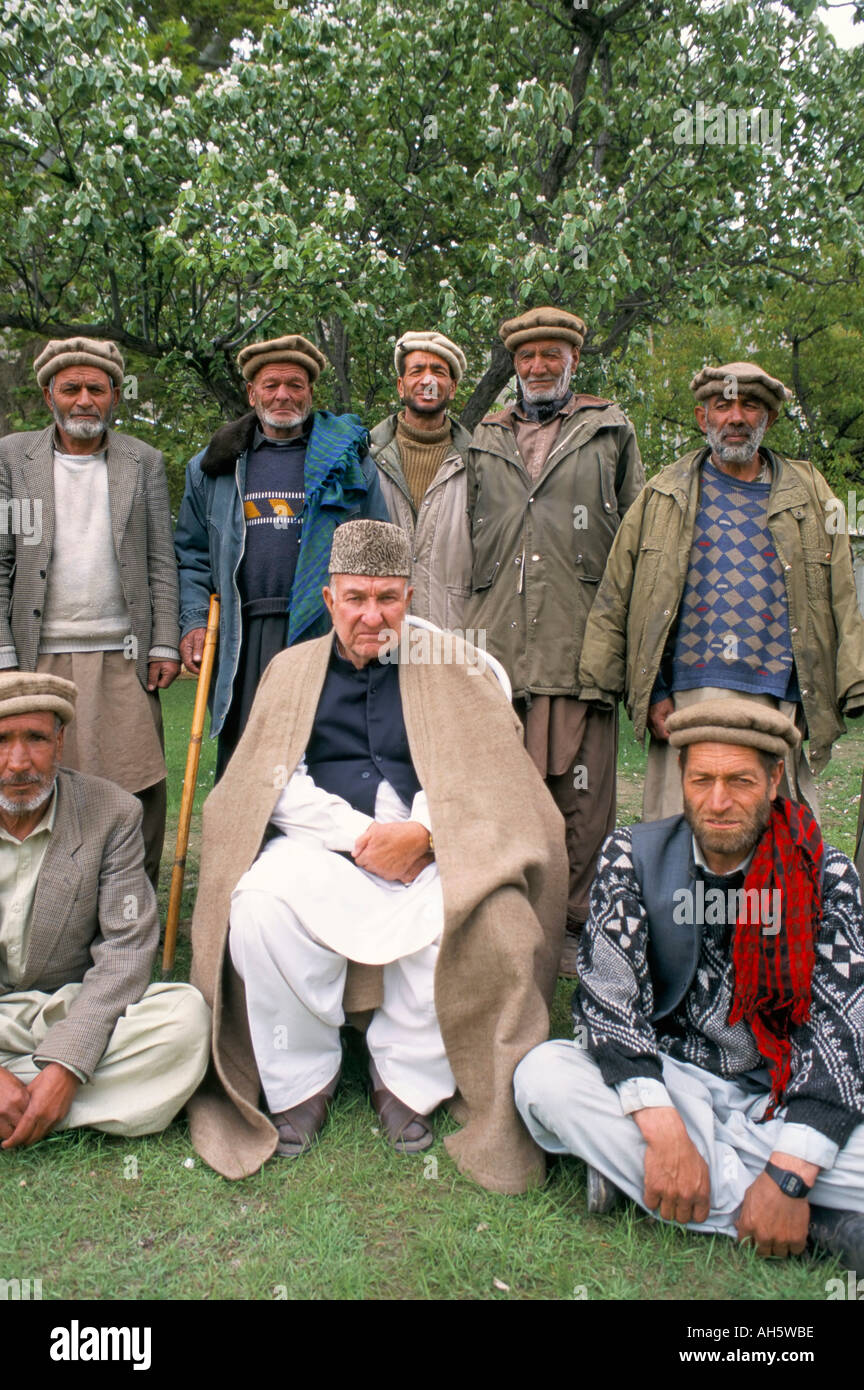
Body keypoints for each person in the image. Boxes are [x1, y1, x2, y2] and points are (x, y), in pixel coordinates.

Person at [187, 520, 567, 1193]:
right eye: (356, 598)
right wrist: (360, 839)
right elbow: (270, 783)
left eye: (387, 598)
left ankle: (407, 1080)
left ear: (409, 596)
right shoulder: (291, 670)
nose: (372, 615)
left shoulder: (454, 665)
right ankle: (303, 1077)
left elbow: (489, 770)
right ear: (330, 598)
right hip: (325, 842)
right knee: (258, 907)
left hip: (437, 843)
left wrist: (423, 835)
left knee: (469, 908)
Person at [514, 700, 864, 1271]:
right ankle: (818, 1226)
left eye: (740, 780)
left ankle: (656, 1179)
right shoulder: (633, 855)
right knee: (544, 1077)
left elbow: (842, 1032)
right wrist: (666, 1129)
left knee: (830, 1126)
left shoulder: (826, 873)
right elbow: (607, 1004)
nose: (718, 801)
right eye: (702, 779)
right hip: (673, 1085)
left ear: (776, 778)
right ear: (682, 779)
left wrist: (791, 1172)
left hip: (781, 1094)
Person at [579, 360, 864, 822]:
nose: (735, 417)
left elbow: (842, 595)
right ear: (702, 418)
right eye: (722, 405)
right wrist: (650, 693)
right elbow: (618, 594)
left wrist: (839, 690)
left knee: (771, 842)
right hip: (687, 700)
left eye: (750, 406)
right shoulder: (662, 495)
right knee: (681, 839)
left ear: (767, 419)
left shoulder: (811, 495)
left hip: (776, 698)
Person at [465, 306, 644, 975]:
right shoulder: (484, 435)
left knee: (581, 798)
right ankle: (505, 917)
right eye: (526, 357)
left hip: (578, 642)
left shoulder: (610, 430)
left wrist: (622, 640)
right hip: (498, 650)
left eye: (551, 355)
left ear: (573, 359)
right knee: (502, 791)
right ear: (514, 366)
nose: (538, 367)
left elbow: (635, 542)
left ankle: (573, 927)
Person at [0, 672, 209, 1149]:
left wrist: (69, 1064)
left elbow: (126, 949)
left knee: (185, 1019)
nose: (18, 762)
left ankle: (33, 1105)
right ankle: (56, 1106)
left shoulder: (110, 813)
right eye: (2, 740)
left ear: (60, 741)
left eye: (35, 738)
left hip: (66, 1008)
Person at [0, 337, 180, 888]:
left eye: (95, 389)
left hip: (123, 653)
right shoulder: (12, 457)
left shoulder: (142, 461)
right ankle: (40, 906)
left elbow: (160, 562)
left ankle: (131, 906)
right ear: (49, 393)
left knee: (136, 786)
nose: (83, 400)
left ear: (115, 395)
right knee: (35, 781)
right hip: (36, 655)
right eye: (70, 387)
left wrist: (164, 644)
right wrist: (4, 655)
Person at [174, 334, 390, 776]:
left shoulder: (348, 463)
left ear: (310, 392)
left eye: (295, 384)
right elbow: (193, 555)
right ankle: (244, 844)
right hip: (242, 635)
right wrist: (195, 620)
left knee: (323, 751)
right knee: (248, 756)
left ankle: (324, 844)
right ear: (252, 393)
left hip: (325, 629)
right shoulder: (213, 467)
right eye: (270, 385)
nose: (283, 395)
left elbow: (378, 551)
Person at [370, 330, 473, 630]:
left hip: (454, 634)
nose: (427, 380)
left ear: (452, 388)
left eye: (438, 372)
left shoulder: (479, 462)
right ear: (402, 386)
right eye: (417, 371)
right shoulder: (366, 458)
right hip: (379, 633)